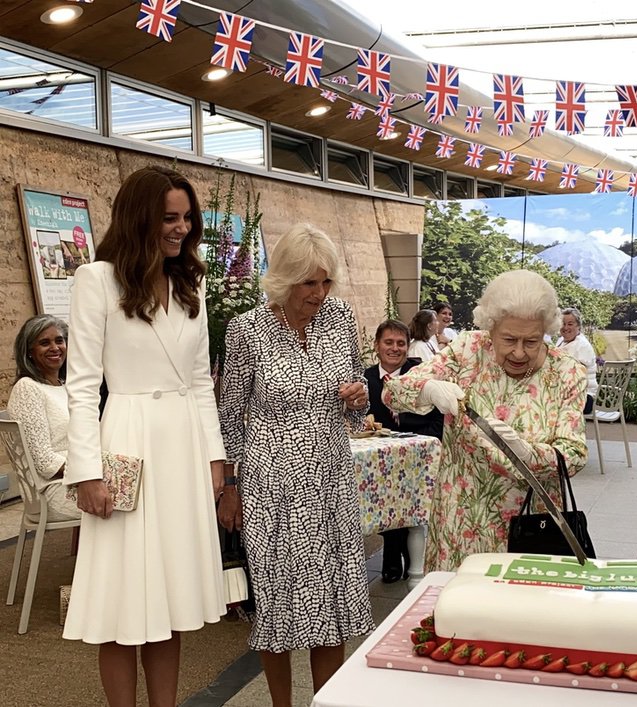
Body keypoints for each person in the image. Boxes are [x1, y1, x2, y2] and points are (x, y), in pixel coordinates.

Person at [62, 166, 228, 706]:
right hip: (126, 442)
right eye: (169, 219)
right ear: (140, 220)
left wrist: (214, 457)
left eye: (187, 219)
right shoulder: (97, 279)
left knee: (172, 597)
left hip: (182, 447)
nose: (181, 229)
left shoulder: (190, 282)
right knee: (121, 601)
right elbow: (82, 386)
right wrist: (86, 471)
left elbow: (202, 380)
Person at [217, 224, 375, 704]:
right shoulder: (247, 329)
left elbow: (356, 405)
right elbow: (228, 414)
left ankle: (324, 702)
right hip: (270, 486)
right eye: (309, 282)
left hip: (330, 478)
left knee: (333, 600)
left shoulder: (341, 318)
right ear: (284, 279)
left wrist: (359, 398)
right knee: (276, 604)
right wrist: (229, 486)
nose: (319, 293)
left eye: (326, 282)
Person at [383, 269, 588, 571]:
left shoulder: (566, 372)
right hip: (461, 521)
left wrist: (528, 453)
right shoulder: (468, 350)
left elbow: (574, 453)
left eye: (532, 341)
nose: (519, 352)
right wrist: (427, 389)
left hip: (530, 526)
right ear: (490, 328)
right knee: (459, 610)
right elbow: (393, 392)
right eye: (508, 339)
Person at [364, 319, 443, 583]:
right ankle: (391, 556)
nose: (395, 348)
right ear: (377, 345)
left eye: (401, 343)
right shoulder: (365, 379)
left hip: (419, 452)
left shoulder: (421, 374)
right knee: (385, 501)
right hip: (382, 458)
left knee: (414, 508)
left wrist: (427, 440)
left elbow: (439, 416)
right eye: (389, 342)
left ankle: (413, 561)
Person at [6, 314, 79, 521]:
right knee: (140, 497)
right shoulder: (27, 389)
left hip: (78, 476)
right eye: (44, 343)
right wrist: (91, 470)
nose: (55, 348)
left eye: (59, 340)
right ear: (29, 352)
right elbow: (46, 464)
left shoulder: (65, 385)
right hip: (55, 490)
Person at [555, 307, 599, 414]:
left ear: (578, 326)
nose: (565, 327)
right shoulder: (561, 341)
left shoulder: (582, 345)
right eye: (562, 323)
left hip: (584, 396)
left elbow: (576, 377)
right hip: (566, 392)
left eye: (570, 324)